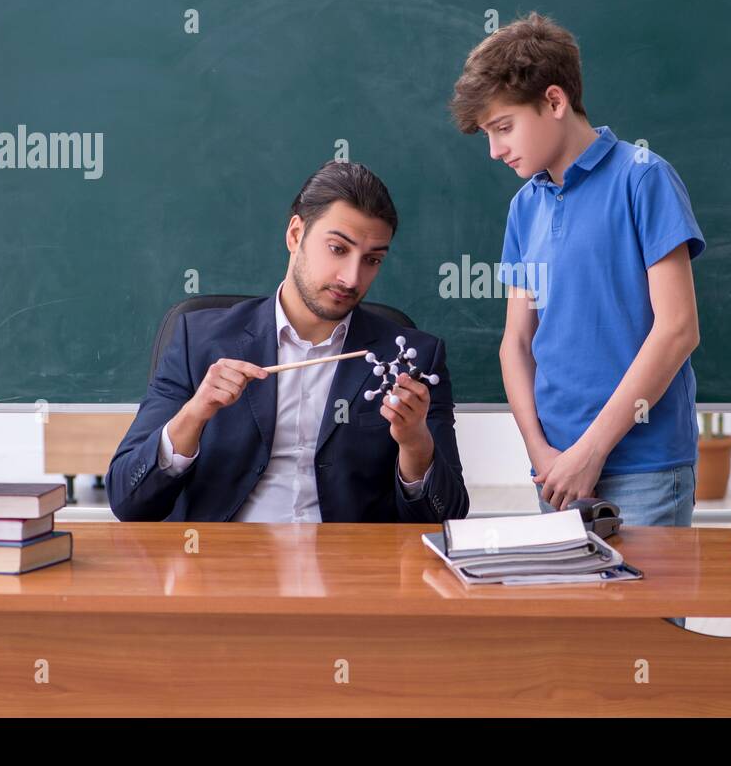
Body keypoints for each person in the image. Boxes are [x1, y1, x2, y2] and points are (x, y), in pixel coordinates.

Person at [449, 11, 704, 530]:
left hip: (644, 469)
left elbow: (678, 329)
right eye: (487, 135)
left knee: (643, 616)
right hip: (555, 472)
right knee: (568, 615)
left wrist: (590, 451)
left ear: (555, 101)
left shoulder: (643, 179)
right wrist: (542, 453)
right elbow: (517, 343)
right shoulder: (525, 207)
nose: (495, 150)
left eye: (503, 127)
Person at [106, 160, 468, 523]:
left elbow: (446, 517)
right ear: (296, 235)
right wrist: (195, 413)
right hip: (222, 566)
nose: (352, 278)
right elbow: (128, 501)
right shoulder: (198, 340)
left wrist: (414, 443)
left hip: (350, 569)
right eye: (338, 249)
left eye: (372, 259)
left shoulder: (410, 359)